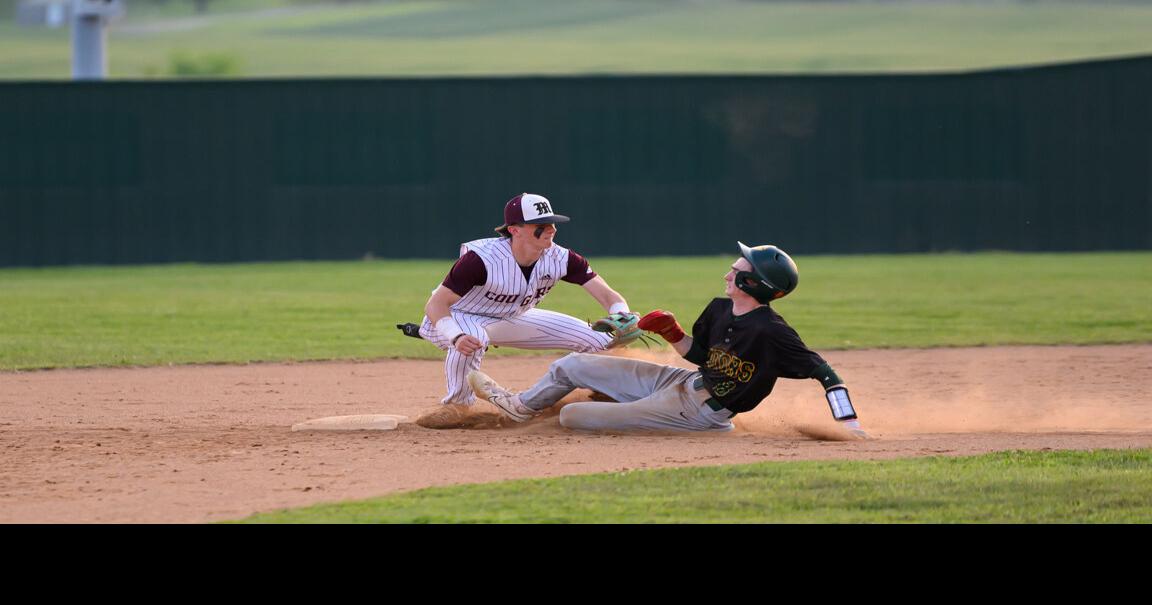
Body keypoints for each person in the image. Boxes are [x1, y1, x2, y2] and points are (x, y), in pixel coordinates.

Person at [468, 242, 871, 438]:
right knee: (569, 365)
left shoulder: (773, 333)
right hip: (680, 385)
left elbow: (826, 373)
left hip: (701, 414)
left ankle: (658, 416)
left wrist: (847, 423)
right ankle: (521, 407)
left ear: (753, 282)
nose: (727, 275)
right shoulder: (719, 309)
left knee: (572, 418)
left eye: (736, 271)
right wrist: (672, 334)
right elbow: (699, 357)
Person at [410, 193, 638, 408]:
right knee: (473, 340)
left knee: (600, 339)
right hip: (461, 317)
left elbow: (609, 296)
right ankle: (458, 407)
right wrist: (455, 335)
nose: (551, 229)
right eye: (541, 225)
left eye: (552, 223)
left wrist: (621, 313)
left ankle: (597, 393)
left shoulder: (562, 258)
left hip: (513, 317)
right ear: (514, 230)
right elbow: (436, 304)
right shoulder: (481, 259)